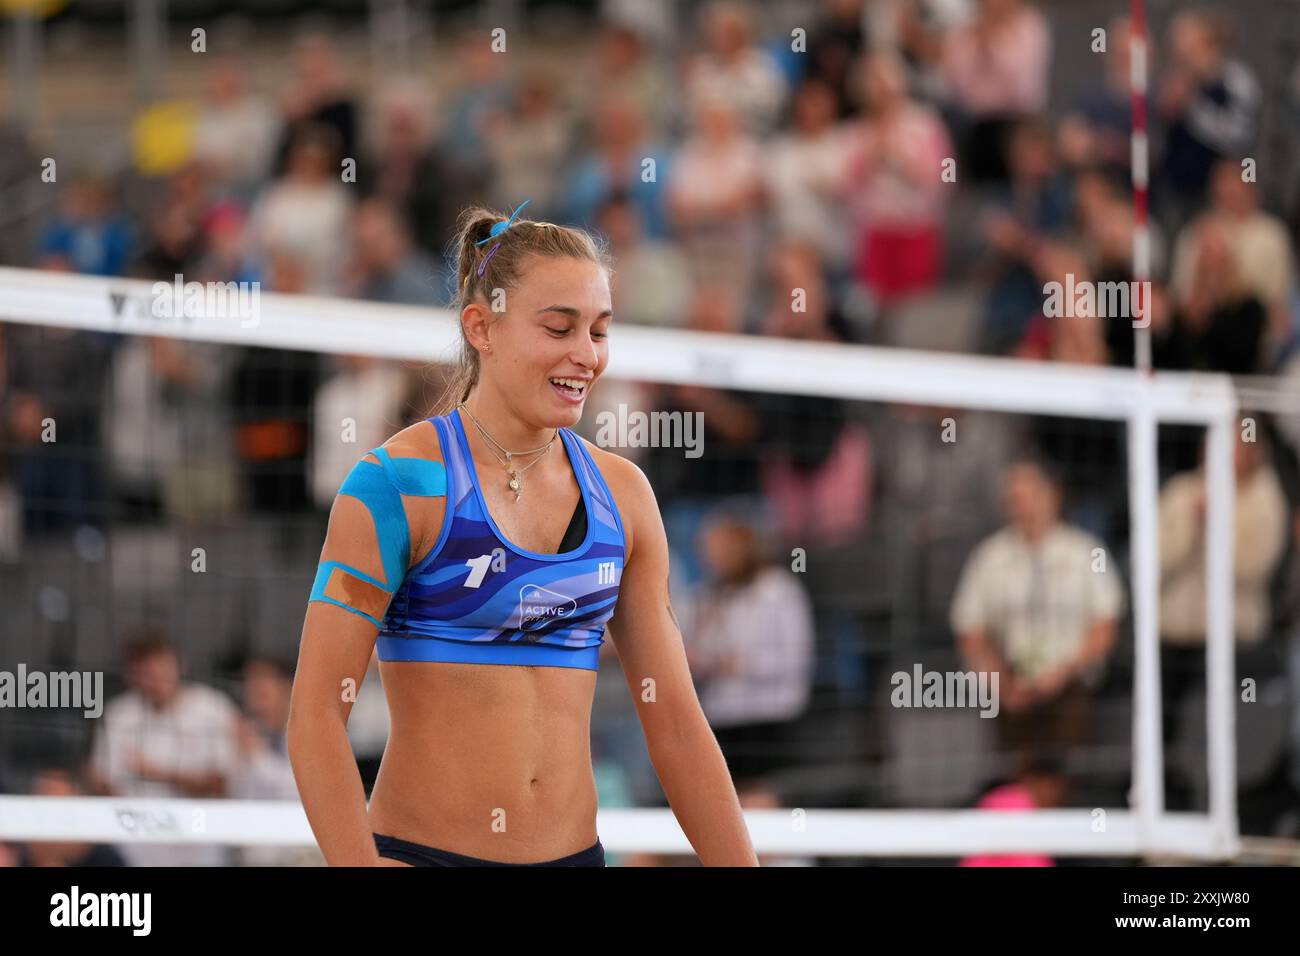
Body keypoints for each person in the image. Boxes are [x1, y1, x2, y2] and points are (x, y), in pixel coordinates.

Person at [288, 205, 759, 866]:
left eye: (599, 331)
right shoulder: (397, 484)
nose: (586, 355)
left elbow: (677, 723)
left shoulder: (623, 496)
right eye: (559, 327)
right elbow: (314, 719)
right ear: (481, 326)